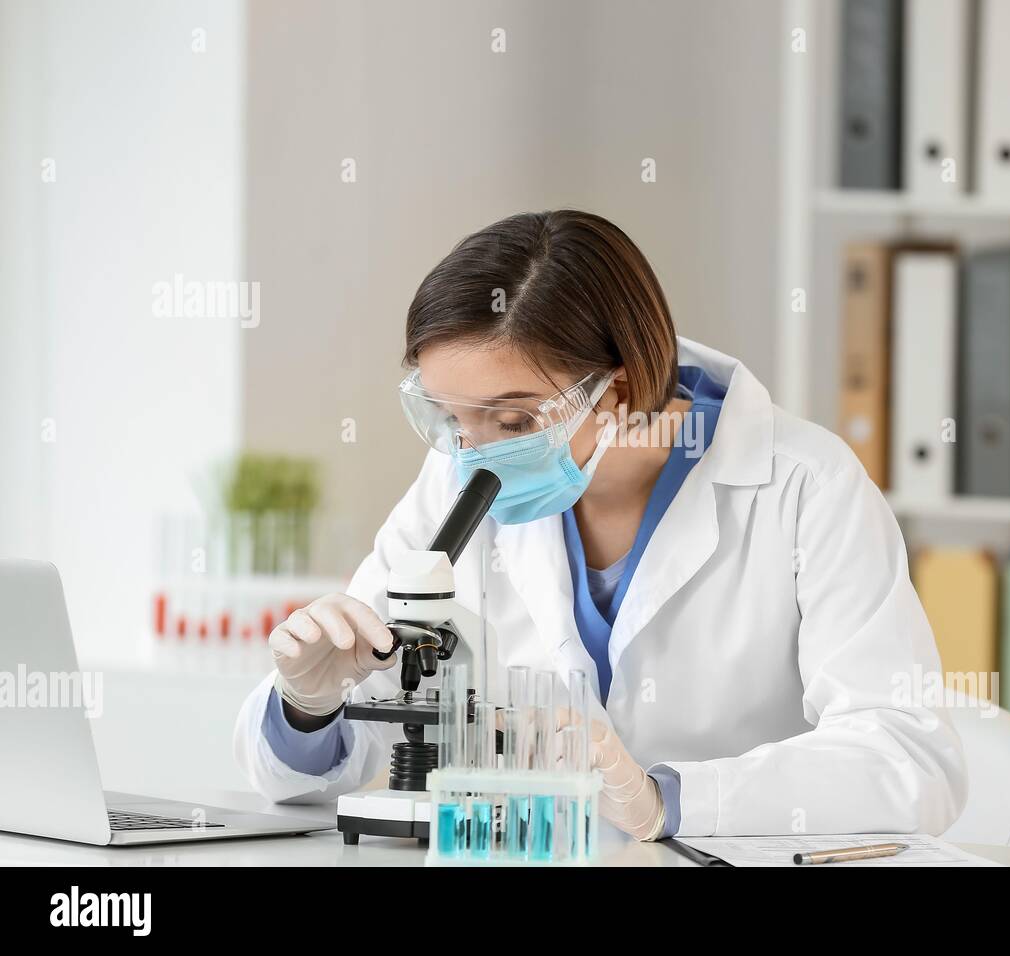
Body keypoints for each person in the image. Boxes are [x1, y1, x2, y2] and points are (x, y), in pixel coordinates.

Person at [233, 209, 967, 840]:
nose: (473, 453)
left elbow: (910, 762)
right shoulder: (458, 480)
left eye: (513, 418)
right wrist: (308, 706)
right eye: (451, 421)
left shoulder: (805, 486)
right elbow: (331, 772)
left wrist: (667, 800)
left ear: (615, 391)